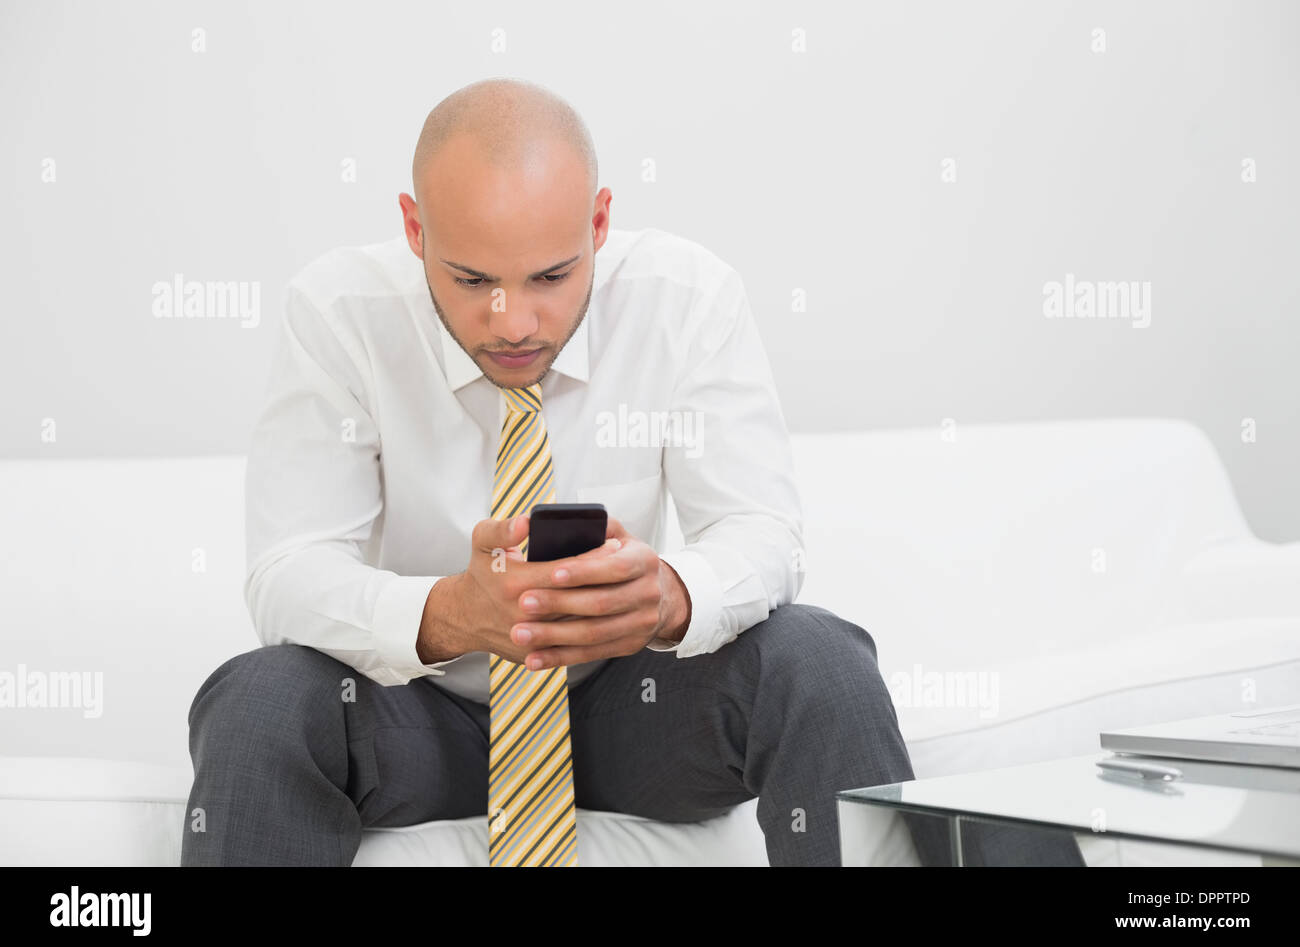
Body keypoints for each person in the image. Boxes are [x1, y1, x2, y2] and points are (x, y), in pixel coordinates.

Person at [181, 76, 1084, 867]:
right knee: (259, 696)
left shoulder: (685, 299)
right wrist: (450, 611)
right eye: (469, 279)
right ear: (415, 230)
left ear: (600, 224)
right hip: (418, 723)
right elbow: (288, 571)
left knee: (818, 656)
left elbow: (762, 533)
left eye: (551, 275)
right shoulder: (338, 315)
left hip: (633, 712)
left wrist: (670, 598)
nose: (513, 323)